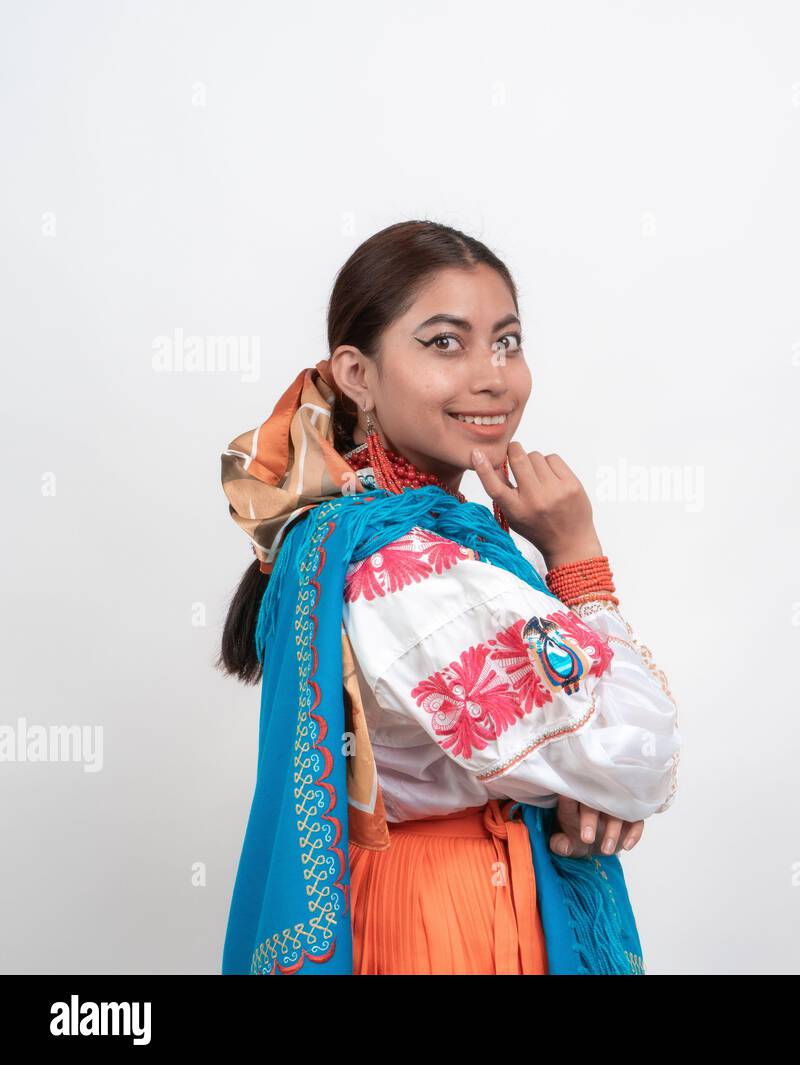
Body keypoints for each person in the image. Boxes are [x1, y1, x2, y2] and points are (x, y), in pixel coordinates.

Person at [216, 220, 680, 975]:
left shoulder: (403, 538)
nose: (493, 375)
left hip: (475, 900)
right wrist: (577, 558)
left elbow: (600, 759)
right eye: (444, 342)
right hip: (441, 926)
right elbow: (637, 752)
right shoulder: (398, 561)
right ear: (358, 374)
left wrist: (579, 782)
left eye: (507, 340)